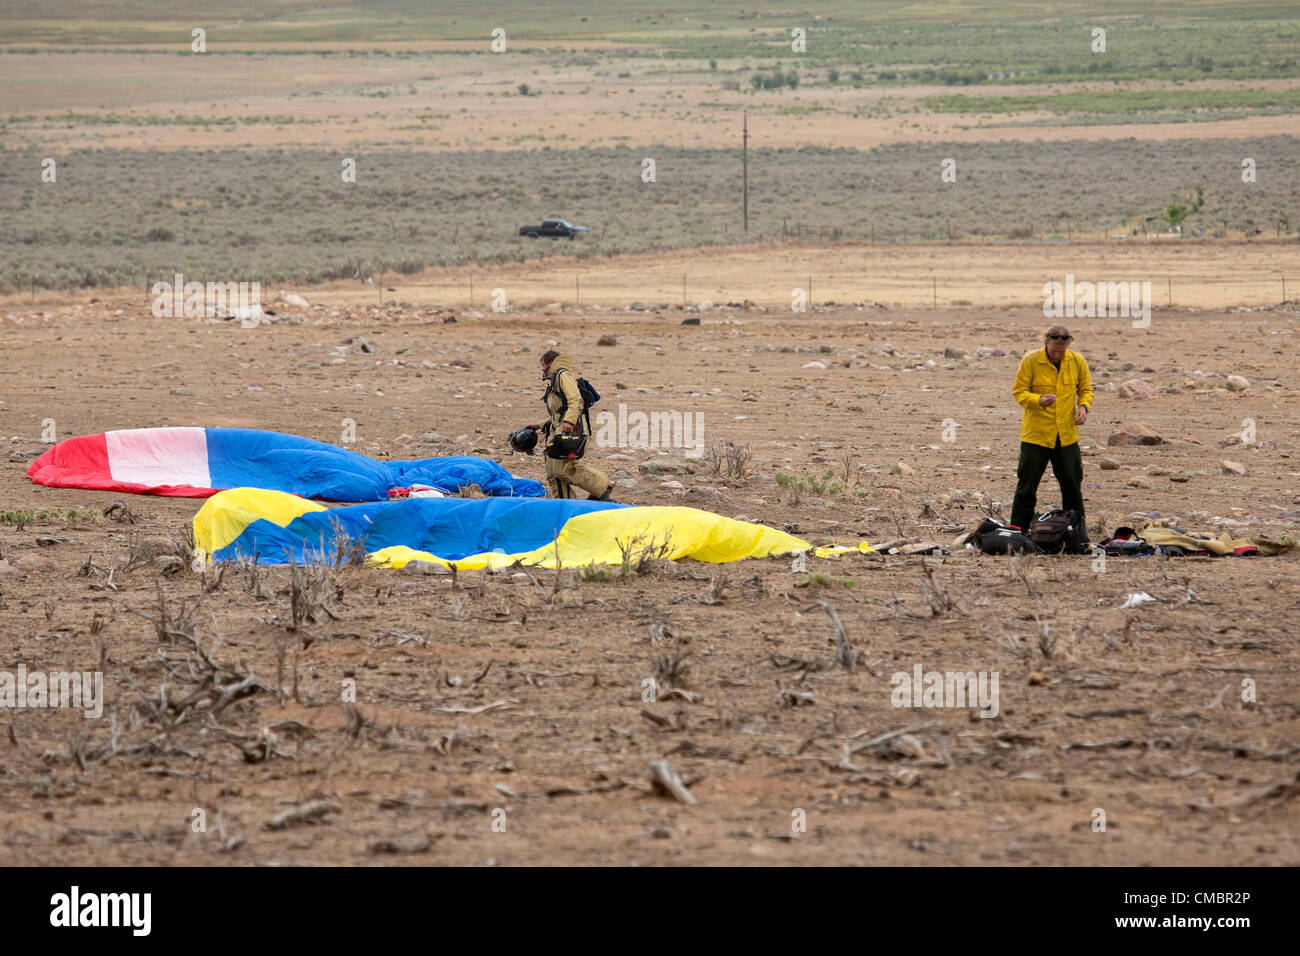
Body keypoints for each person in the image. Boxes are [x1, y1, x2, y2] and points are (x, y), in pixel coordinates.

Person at [1010, 325, 1094, 531]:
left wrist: (1084, 407)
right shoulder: (1031, 361)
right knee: (1026, 487)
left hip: (1066, 436)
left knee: (1072, 487)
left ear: (1068, 346)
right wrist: (1038, 400)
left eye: (1061, 351)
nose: (1057, 354)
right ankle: (1017, 531)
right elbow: (1019, 392)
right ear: (1046, 343)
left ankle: (1076, 532)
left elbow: (1086, 389)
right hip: (1036, 436)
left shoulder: (1077, 361)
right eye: (1054, 350)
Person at [525, 350, 613, 501]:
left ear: (551, 363)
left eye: (543, 364)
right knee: (554, 471)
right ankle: (566, 503)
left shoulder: (562, 375)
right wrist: (537, 426)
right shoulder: (555, 381)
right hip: (560, 427)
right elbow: (557, 414)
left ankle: (602, 486)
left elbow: (575, 399)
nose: (542, 369)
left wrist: (569, 422)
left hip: (570, 428)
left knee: (563, 468)